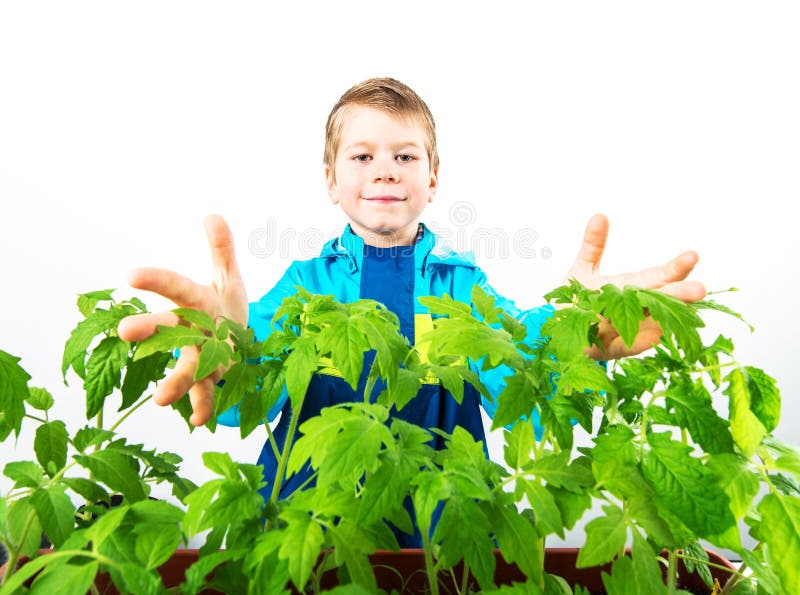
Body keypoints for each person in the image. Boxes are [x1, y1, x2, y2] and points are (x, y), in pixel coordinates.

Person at [117, 77, 705, 543]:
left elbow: (518, 364)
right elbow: (259, 383)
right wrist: (229, 351)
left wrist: (575, 335)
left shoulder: (464, 286)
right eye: (362, 156)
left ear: (434, 176)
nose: (384, 169)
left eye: (405, 155)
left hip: (445, 527)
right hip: (314, 523)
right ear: (330, 180)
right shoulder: (305, 285)